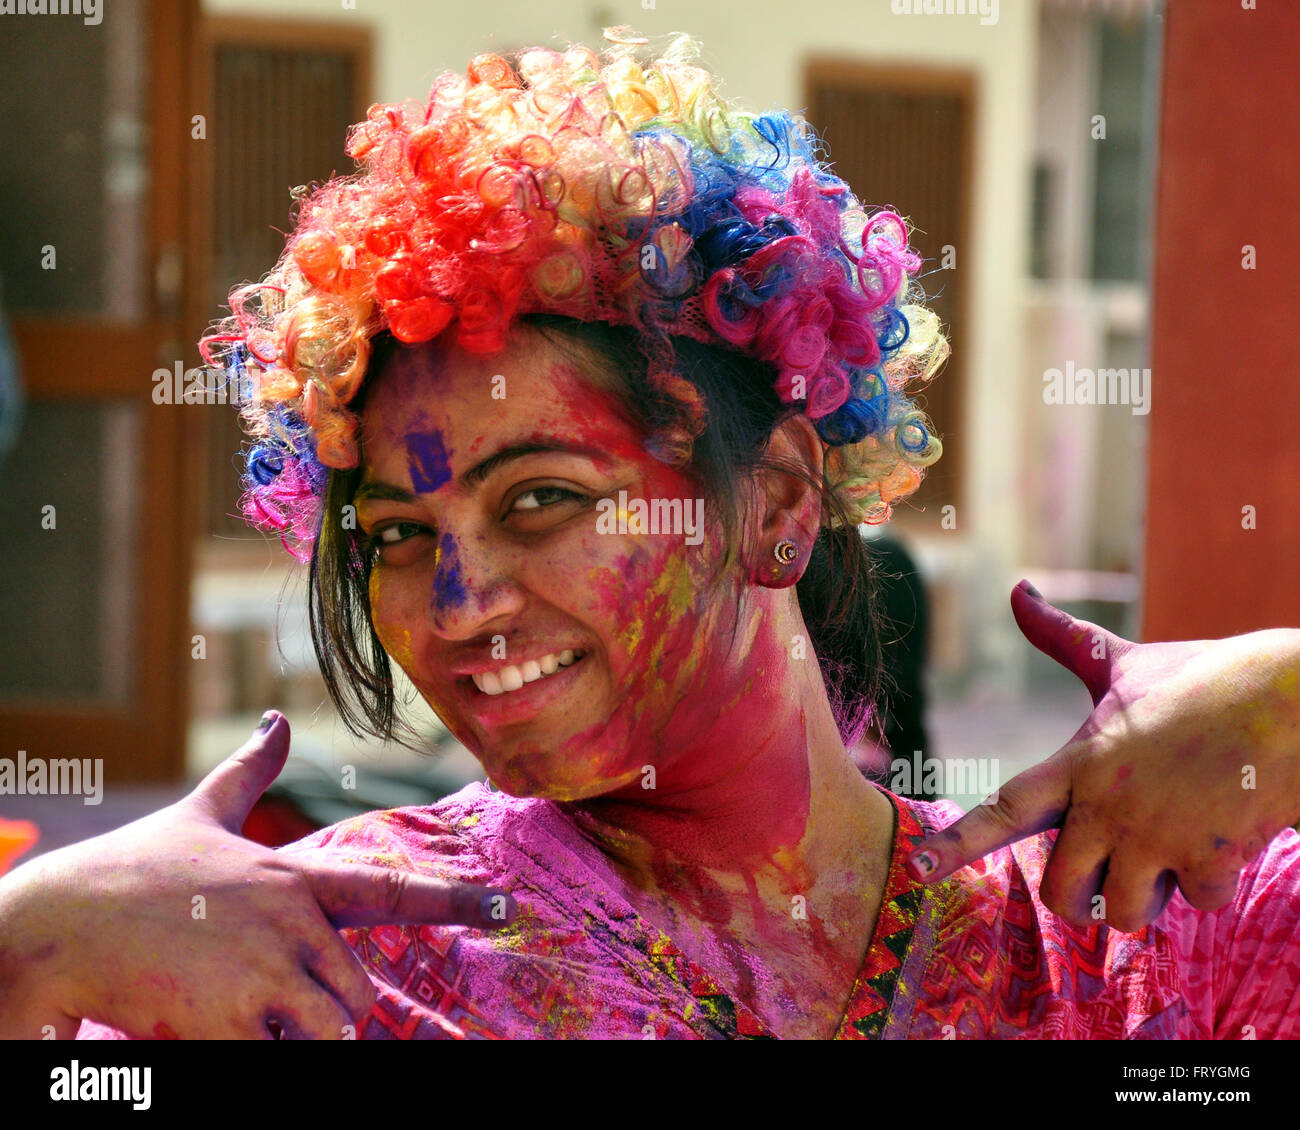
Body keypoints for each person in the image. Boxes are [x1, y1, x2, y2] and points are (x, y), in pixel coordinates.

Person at [1, 27, 1297, 1040]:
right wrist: (25, 943)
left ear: (781, 502)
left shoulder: (1137, 925)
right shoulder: (336, 953)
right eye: (398, 534)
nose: (454, 604)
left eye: (540, 500)